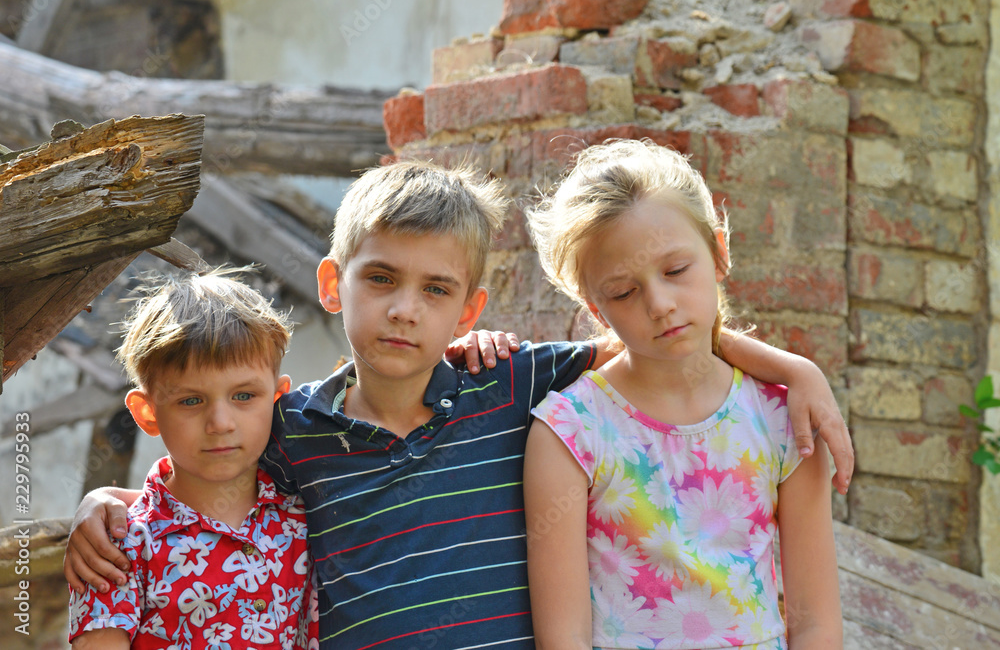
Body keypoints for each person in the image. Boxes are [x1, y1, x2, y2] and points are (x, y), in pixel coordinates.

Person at [65, 160, 851, 649]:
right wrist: (110, 502)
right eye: (382, 280)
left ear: (467, 311)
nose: (406, 309)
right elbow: (211, 460)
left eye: (435, 290)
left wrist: (795, 371)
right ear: (334, 284)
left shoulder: (508, 385)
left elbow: (651, 340)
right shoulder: (292, 426)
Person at [522, 139, 842, 649]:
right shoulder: (568, 431)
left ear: (719, 253)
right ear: (598, 310)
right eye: (624, 292)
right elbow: (565, 642)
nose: (660, 304)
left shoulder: (785, 418)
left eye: (675, 271)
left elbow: (816, 623)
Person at [67, 270, 317, 649]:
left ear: (278, 399)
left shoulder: (308, 514)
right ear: (148, 414)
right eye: (191, 400)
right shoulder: (120, 545)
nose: (220, 423)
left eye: (244, 396)